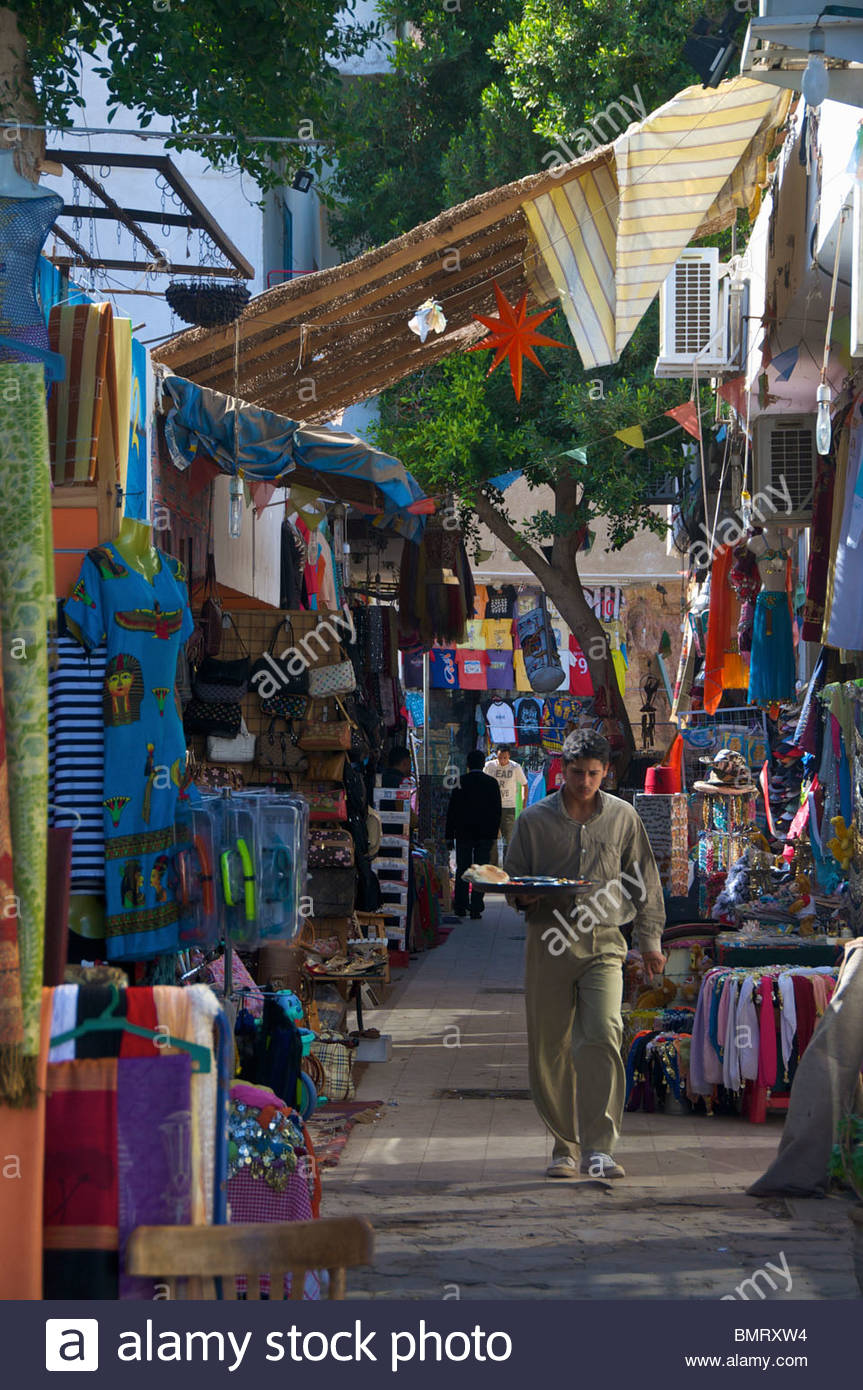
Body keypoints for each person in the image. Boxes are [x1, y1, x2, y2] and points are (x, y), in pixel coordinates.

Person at [504, 729, 666, 1181]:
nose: (585, 783)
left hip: (604, 943)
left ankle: (600, 1148)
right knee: (550, 1047)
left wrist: (650, 942)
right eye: (577, 773)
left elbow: (644, 879)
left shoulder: (623, 817)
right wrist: (522, 896)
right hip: (548, 943)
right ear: (563, 770)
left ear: (606, 772)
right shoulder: (534, 821)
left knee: (602, 1034)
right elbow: (512, 879)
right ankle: (565, 1146)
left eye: (594, 774)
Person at [445, 751, 503, 919]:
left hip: (463, 833)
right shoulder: (491, 783)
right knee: (481, 870)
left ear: (468, 765)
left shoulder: (460, 782)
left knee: (463, 868)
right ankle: (476, 906)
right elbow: (497, 811)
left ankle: (461, 905)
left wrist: (449, 834)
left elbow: (452, 811)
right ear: (483, 764)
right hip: (485, 833)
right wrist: (494, 833)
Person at [483, 745, 527, 862]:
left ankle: (508, 866)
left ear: (509, 756)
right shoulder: (489, 766)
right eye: (500, 758)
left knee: (508, 839)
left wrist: (523, 803)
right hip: (491, 807)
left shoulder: (515, 767)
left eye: (505, 758)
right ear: (496, 756)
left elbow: (524, 784)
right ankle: (493, 866)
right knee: (492, 839)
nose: (502, 761)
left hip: (509, 807)